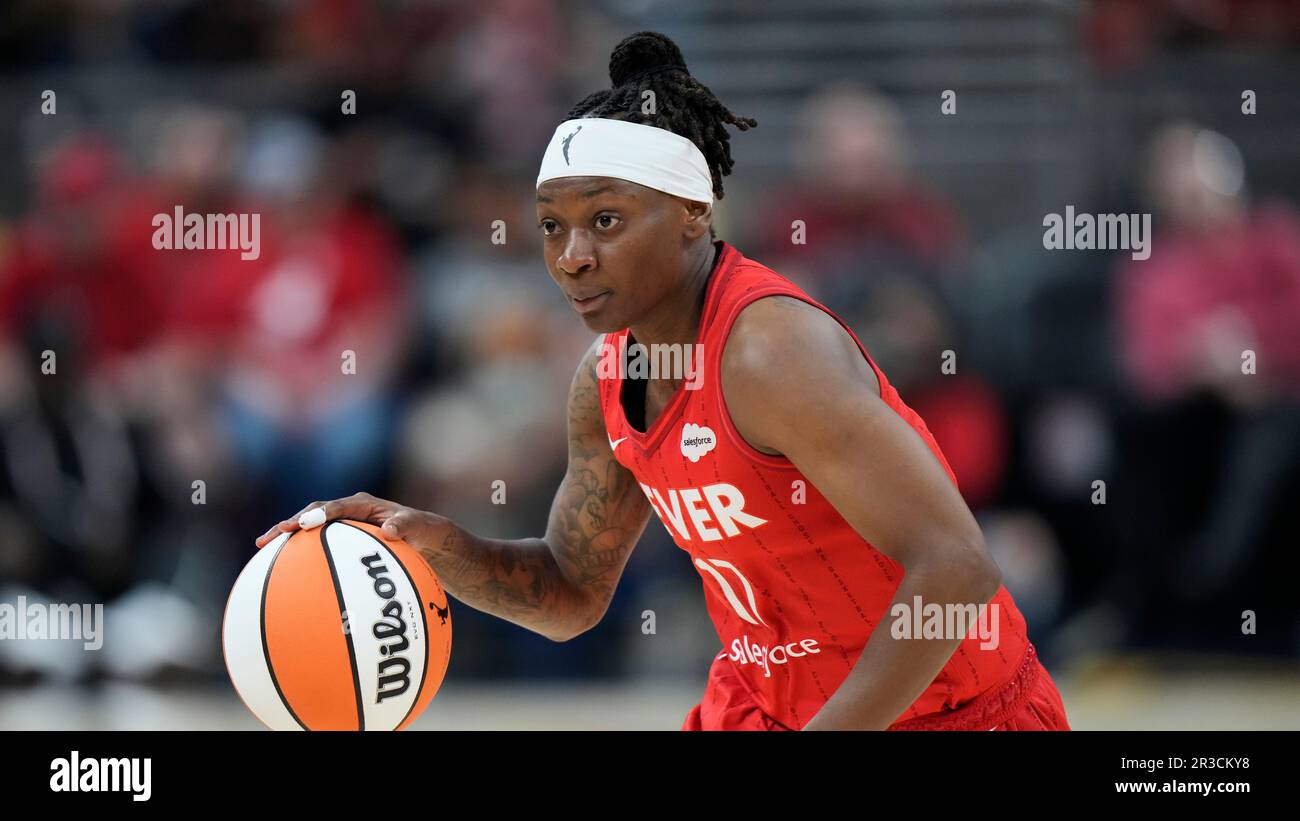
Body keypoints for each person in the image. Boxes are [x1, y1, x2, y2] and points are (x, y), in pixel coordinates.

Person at [255, 31, 1069, 731]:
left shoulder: (769, 352)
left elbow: (959, 569)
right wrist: (431, 546)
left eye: (605, 220)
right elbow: (570, 592)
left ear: (693, 214)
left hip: (947, 709)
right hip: (765, 704)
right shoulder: (607, 373)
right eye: (552, 226)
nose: (572, 254)